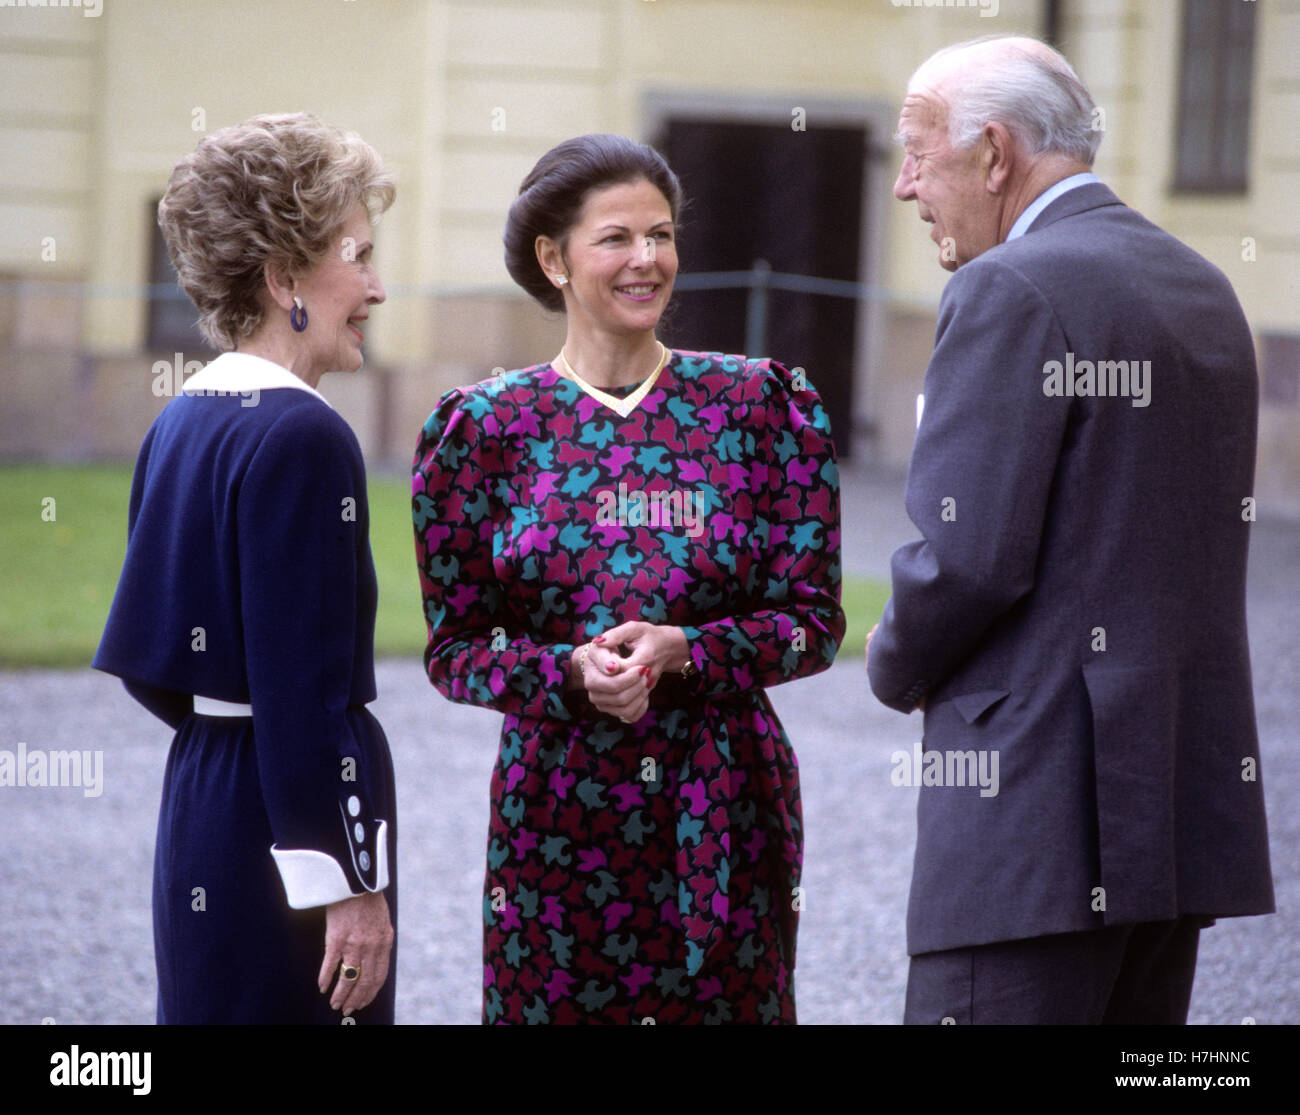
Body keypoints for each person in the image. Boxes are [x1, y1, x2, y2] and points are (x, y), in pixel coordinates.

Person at [866, 35, 1275, 1023]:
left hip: (1031, 824)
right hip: (1167, 811)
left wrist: (889, 660)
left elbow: (965, 558)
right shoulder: (1201, 284)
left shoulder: (1007, 287)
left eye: (918, 154)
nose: (904, 187)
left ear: (995, 154)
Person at [412, 133, 844, 1024]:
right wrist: (565, 673)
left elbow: (814, 622)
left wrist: (691, 649)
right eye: (616, 238)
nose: (647, 260)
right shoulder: (484, 429)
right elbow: (458, 649)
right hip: (557, 820)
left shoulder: (762, 409)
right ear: (553, 259)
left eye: (661, 235)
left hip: (723, 809)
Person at [94, 113, 398, 1024]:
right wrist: (345, 882)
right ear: (283, 277)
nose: (378, 289)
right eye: (361, 258)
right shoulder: (305, 432)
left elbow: (154, 663)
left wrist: (227, 732)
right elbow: (301, 695)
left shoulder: (182, 417)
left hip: (207, 798)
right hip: (287, 831)